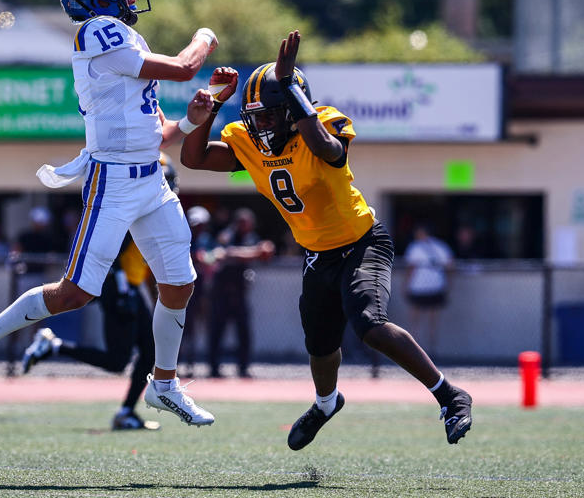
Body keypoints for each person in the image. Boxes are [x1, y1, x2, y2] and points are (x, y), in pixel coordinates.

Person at [0, 0, 216, 427]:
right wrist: (203, 40)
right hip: (112, 179)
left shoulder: (126, 37)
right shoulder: (97, 31)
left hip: (150, 177)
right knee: (74, 294)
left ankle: (164, 385)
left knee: (180, 282)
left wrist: (197, 113)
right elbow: (181, 67)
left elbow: (160, 133)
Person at [181, 30, 473, 449]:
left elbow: (329, 148)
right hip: (318, 254)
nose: (259, 125)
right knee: (319, 346)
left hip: (361, 242)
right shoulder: (248, 142)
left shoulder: (320, 123)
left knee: (368, 324)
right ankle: (325, 402)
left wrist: (288, 88)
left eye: (268, 114)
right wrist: (214, 102)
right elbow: (193, 158)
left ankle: (450, 396)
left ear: (291, 108)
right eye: (254, 117)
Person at [20, 155, 181, 432]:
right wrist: (119, 286)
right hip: (119, 286)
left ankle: (126, 412)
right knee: (118, 360)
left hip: (129, 285)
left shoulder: (145, 208)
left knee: (150, 353)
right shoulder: (134, 207)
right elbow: (113, 250)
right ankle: (54, 345)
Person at [207, 208, 274, 378]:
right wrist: (254, 252)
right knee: (217, 331)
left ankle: (243, 368)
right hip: (222, 291)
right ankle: (214, 368)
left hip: (240, 292)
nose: (246, 227)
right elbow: (225, 253)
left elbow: (264, 254)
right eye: (243, 224)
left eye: (248, 224)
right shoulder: (226, 235)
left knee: (244, 332)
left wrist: (257, 252)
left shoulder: (251, 238)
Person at [404, 223, 455, 357]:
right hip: (436, 286)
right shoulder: (441, 246)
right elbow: (450, 266)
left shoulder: (415, 247)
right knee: (432, 320)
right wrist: (447, 285)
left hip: (418, 287)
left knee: (416, 319)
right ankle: (430, 349)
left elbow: (410, 269)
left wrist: (405, 286)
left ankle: (416, 350)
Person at [178, 205, 217, 376]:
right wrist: (196, 258)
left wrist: (209, 260)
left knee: (197, 328)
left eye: (200, 225)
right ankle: (175, 364)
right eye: (195, 224)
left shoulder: (208, 240)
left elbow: (214, 256)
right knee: (179, 326)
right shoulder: (183, 237)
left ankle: (191, 364)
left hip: (201, 290)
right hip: (182, 289)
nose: (197, 228)